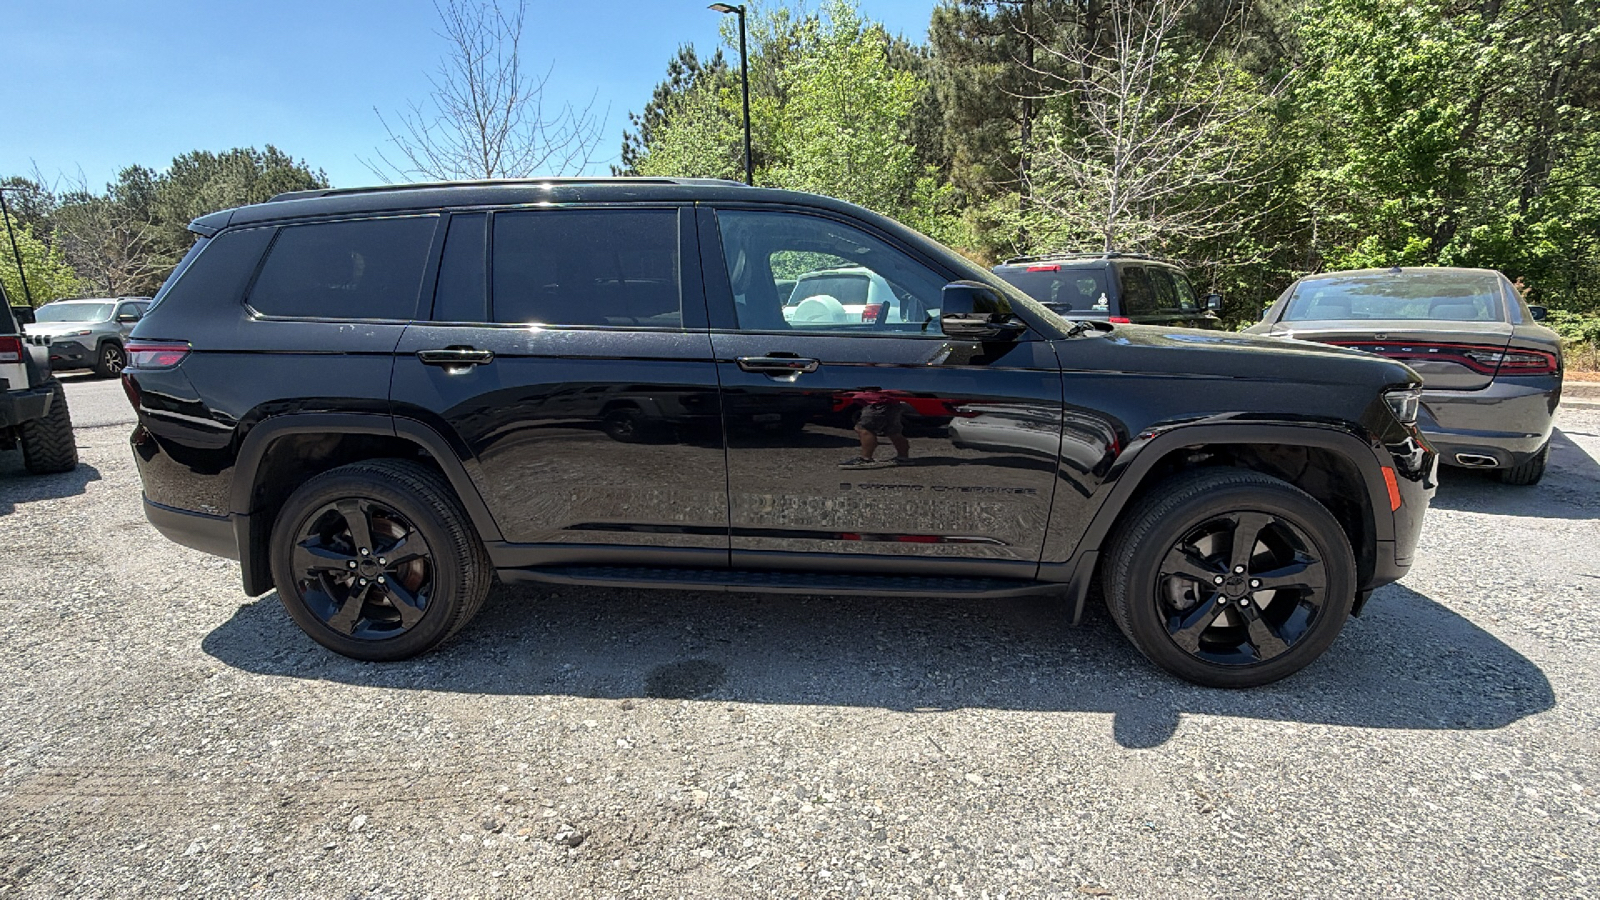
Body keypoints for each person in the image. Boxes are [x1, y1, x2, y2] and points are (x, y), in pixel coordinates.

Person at [839, 388, 911, 468]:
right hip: (890, 404)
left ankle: (866, 459)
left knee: (864, 429)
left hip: (876, 404)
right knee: (892, 431)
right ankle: (903, 457)